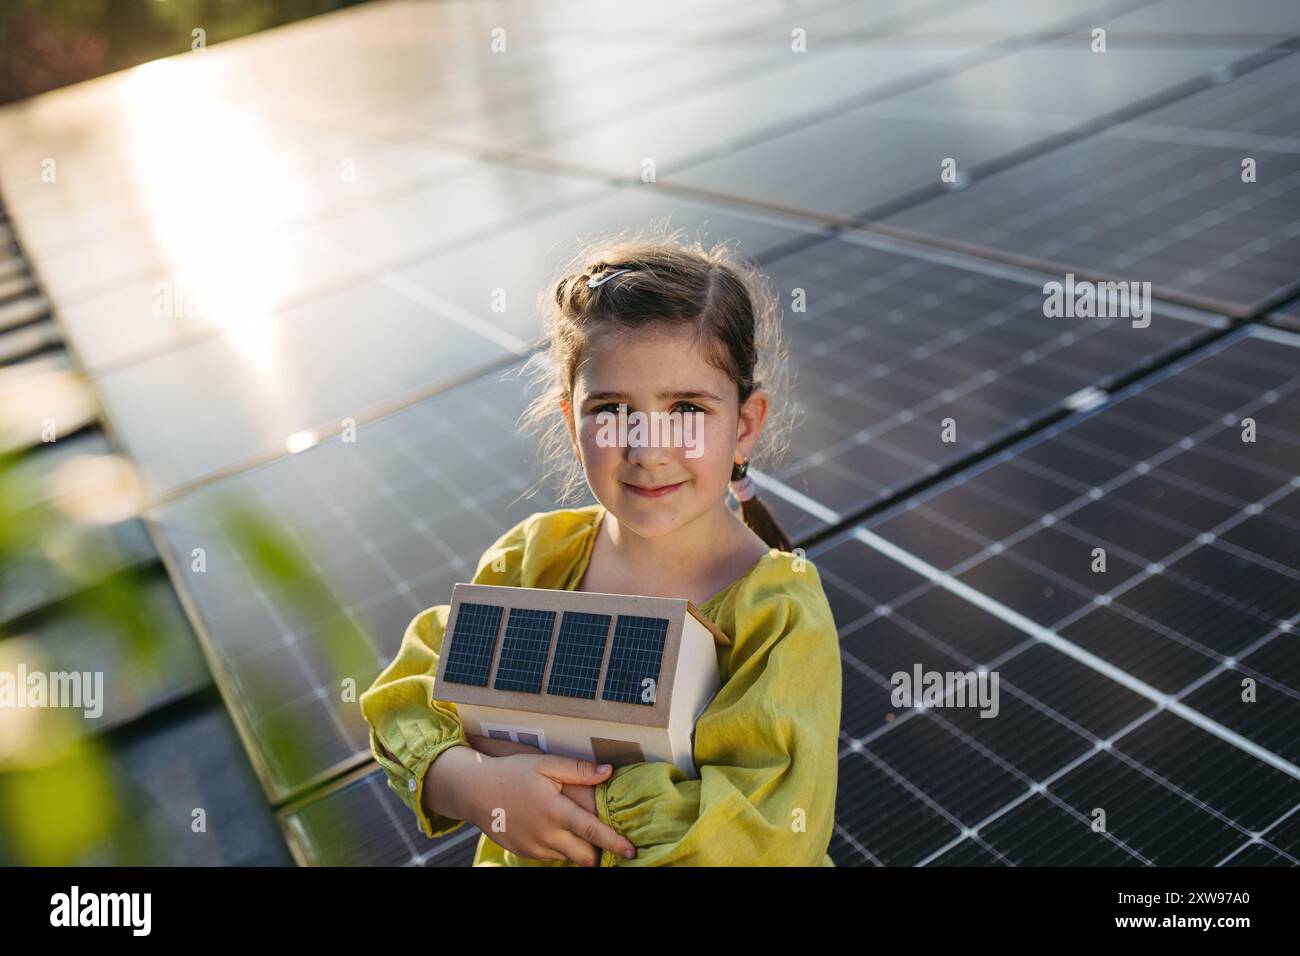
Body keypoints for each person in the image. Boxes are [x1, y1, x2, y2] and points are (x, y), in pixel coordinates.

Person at [359, 228, 842, 866]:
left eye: (688, 410)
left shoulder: (777, 614)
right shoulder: (535, 559)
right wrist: (471, 784)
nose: (647, 449)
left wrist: (583, 809)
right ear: (570, 421)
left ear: (745, 426)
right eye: (612, 409)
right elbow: (414, 691)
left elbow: (767, 830)